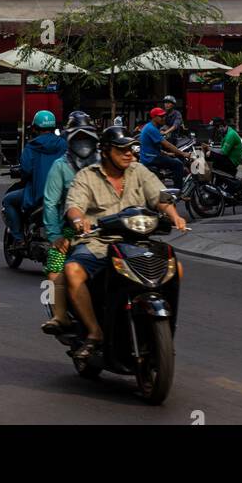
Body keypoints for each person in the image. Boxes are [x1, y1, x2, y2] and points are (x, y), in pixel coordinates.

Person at [63, 126, 188, 361]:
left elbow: (159, 197)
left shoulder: (139, 171)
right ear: (106, 151)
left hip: (138, 243)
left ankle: (165, 326)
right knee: (72, 270)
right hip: (99, 243)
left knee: (176, 269)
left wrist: (175, 216)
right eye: (122, 149)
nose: (129, 154)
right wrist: (79, 220)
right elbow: (74, 205)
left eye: (130, 148)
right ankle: (94, 332)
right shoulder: (87, 176)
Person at [40, 113, 99, 336]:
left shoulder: (105, 161)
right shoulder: (60, 166)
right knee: (54, 267)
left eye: (87, 138)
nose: (83, 144)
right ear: (69, 139)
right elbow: (51, 202)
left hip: (106, 226)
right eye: (78, 138)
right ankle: (59, 314)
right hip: (70, 228)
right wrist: (55, 235)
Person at [2, 110, 67, 245]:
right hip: (61, 194)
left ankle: (19, 239)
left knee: (8, 200)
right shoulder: (63, 144)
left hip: (37, 194)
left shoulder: (31, 146)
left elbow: (25, 171)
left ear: (35, 128)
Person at [138, 106, 188, 189]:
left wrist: (168, 153)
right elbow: (167, 144)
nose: (163, 118)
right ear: (154, 117)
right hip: (151, 159)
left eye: (164, 116)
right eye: (161, 116)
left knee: (173, 158)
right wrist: (183, 154)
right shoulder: (151, 129)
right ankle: (178, 192)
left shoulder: (152, 127)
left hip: (151, 156)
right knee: (178, 164)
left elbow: (153, 146)